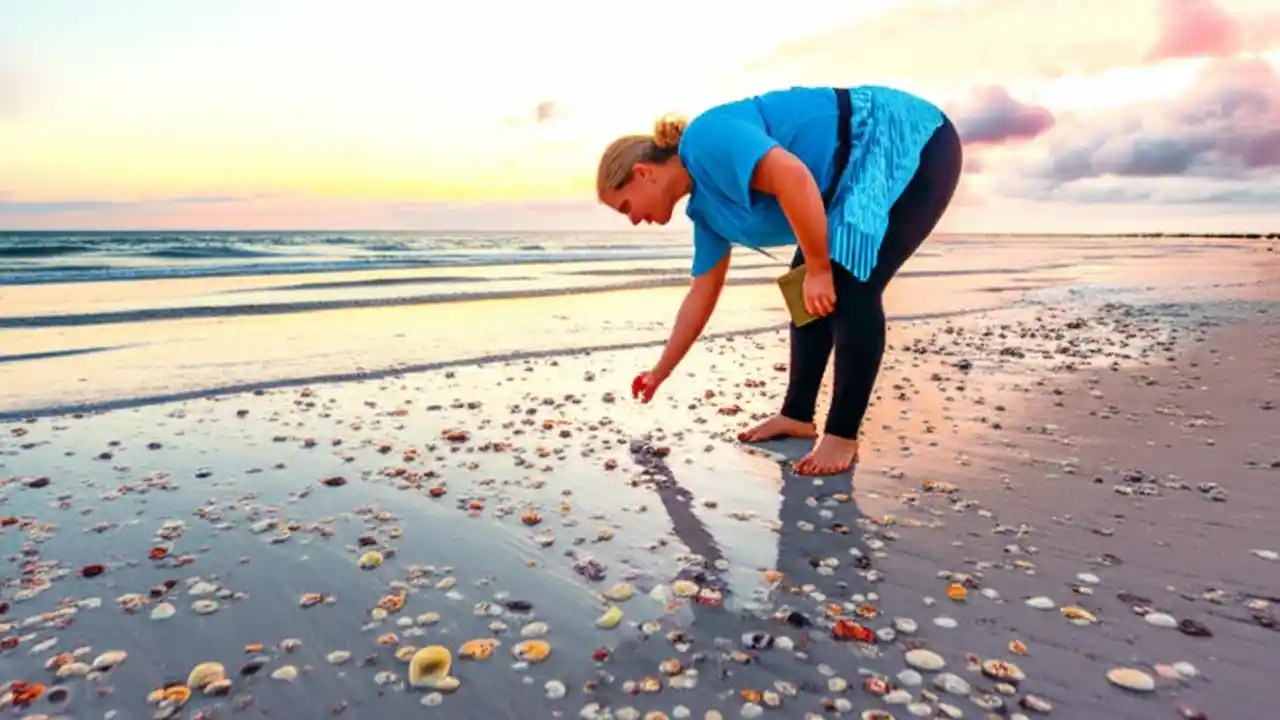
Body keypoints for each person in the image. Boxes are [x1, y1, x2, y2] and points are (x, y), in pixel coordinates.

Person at [597, 85, 962, 475]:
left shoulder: (705, 138)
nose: (633, 219)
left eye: (625, 207)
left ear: (642, 173)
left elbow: (792, 177)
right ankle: (798, 416)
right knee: (802, 292)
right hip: (843, 185)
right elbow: (700, 297)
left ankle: (842, 435)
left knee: (851, 283)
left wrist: (820, 269)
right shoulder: (706, 212)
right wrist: (660, 371)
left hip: (901, 137)